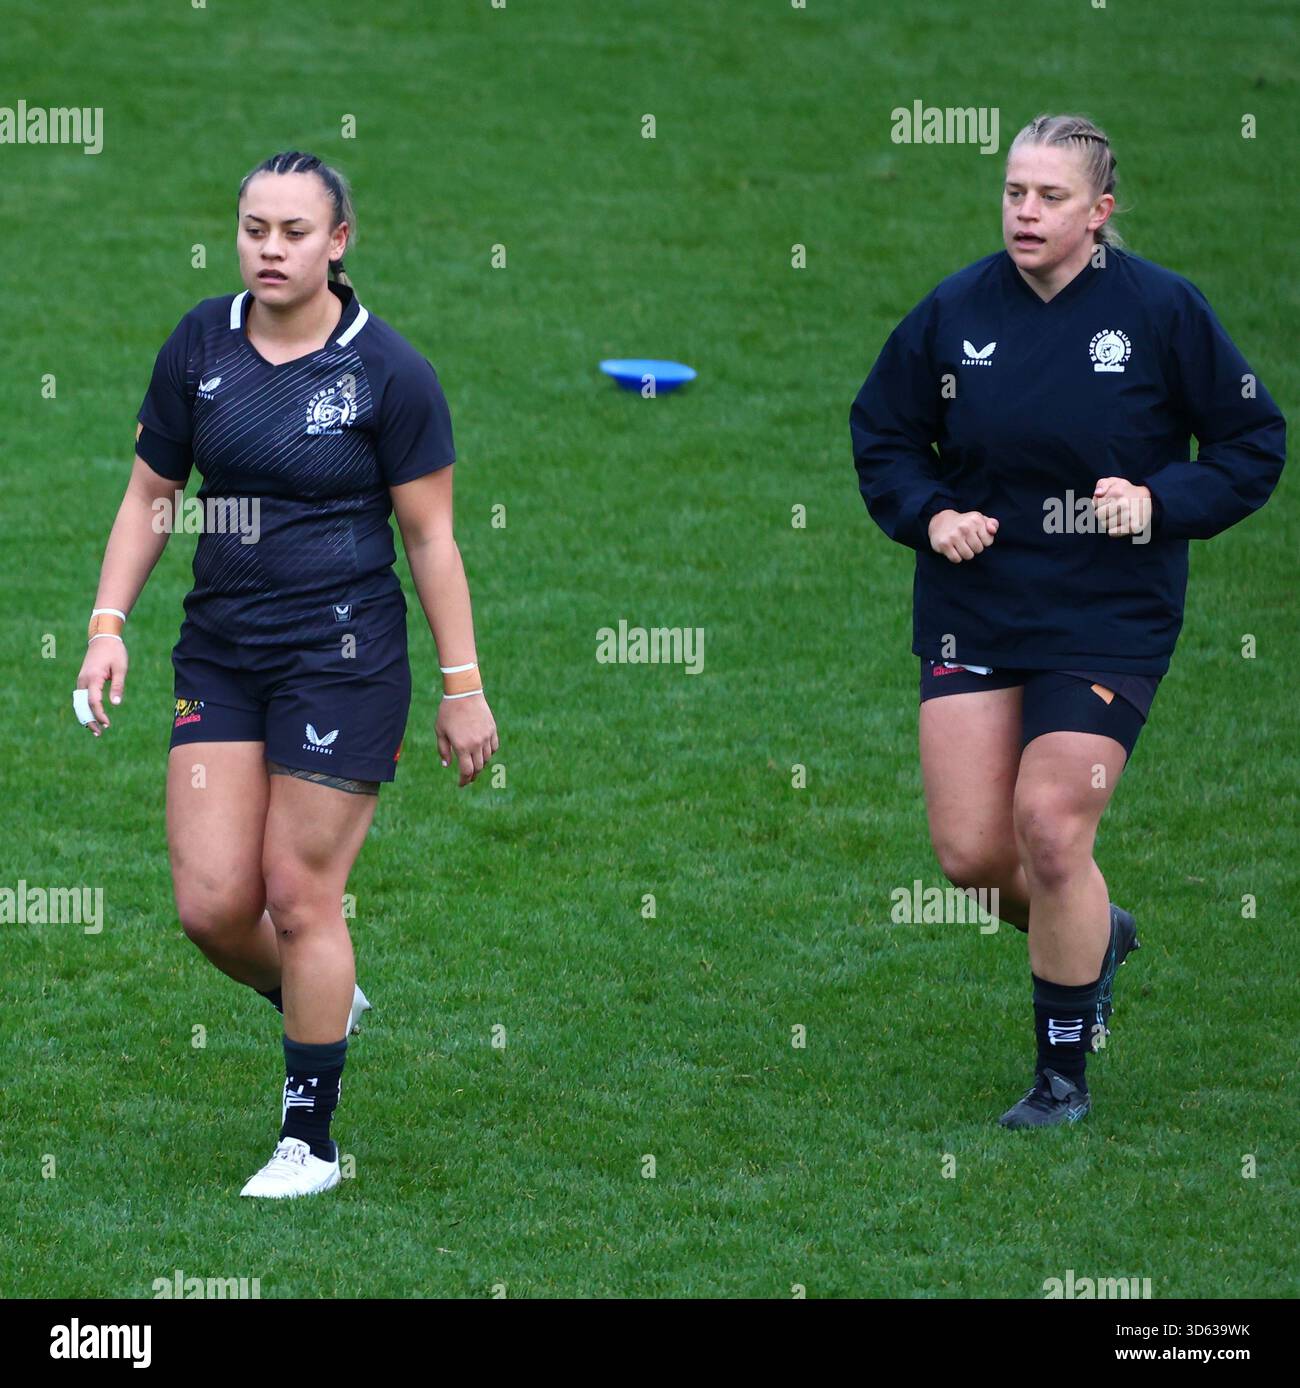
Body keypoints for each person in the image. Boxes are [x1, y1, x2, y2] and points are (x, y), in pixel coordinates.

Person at [849, 114, 1285, 1128]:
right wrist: (932, 513)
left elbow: (1251, 437)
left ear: (1101, 211)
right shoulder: (953, 313)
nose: (1025, 212)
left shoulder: (1160, 311)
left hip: (1107, 611)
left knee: (1049, 826)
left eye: (1049, 197)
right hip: (976, 606)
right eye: (1013, 193)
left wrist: (1160, 502)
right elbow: (883, 432)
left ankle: (1061, 1074)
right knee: (968, 857)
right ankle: (1095, 925)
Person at [75, 150, 498, 1195]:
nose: (270, 247)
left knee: (301, 895)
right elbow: (150, 495)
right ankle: (323, 995)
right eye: (254, 227)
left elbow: (432, 538)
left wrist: (463, 683)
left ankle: (309, 1139)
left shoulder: (387, 372)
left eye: (294, 231)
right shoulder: (199, 344)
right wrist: (106, 622)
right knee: (216, 904)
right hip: (219, 651)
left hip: (341, 659)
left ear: (338, 242)